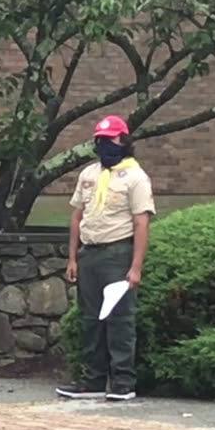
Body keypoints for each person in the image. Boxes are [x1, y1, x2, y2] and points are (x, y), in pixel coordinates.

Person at [57, 114, 156, 402]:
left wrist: (135, 267)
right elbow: (77, 216)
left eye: (110, 140)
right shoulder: (89, 174)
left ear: (124, 140)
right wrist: (73, 258)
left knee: (119, 319)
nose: (104, 145)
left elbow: (141, 223)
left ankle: (123, 382)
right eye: (99, 140)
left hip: (117, 252)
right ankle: (93, 381)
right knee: (90, 319)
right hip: (90, 253)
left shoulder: (136, 177)